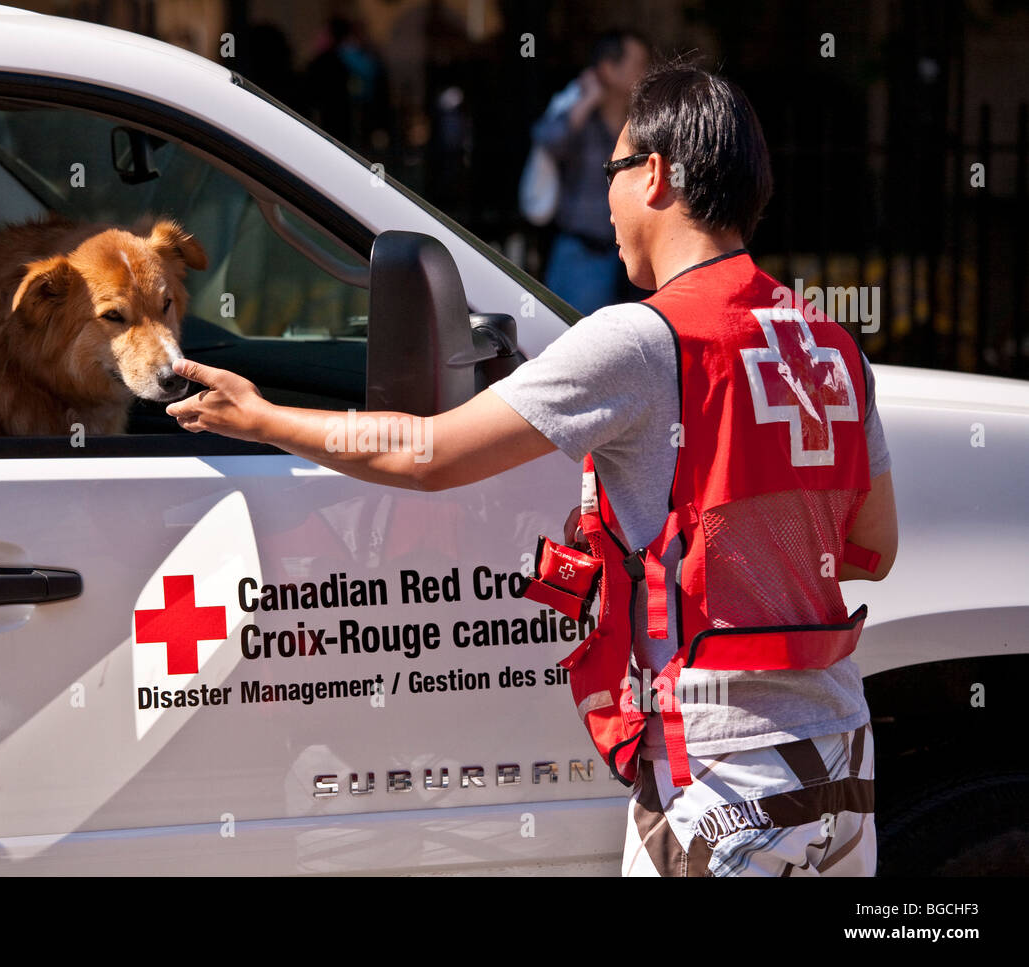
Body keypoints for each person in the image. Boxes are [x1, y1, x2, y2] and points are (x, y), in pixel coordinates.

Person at [164, 62, 899, 878]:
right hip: (843, 769)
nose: (607, 200)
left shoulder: (640, 342)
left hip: (721, 781)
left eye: (614, 171)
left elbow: (431, 452)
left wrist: (262, 418)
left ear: (655, 176)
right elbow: (873, 546)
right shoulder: (832, 346)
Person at [530, 30, 649, 314]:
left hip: (635, 258)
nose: (645, 73)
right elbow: (547, 140)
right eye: (638, 64)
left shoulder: (641, 122)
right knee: (572, 332)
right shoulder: (582, 117)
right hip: (582, 254)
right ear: (609, 68)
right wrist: (586, 100)